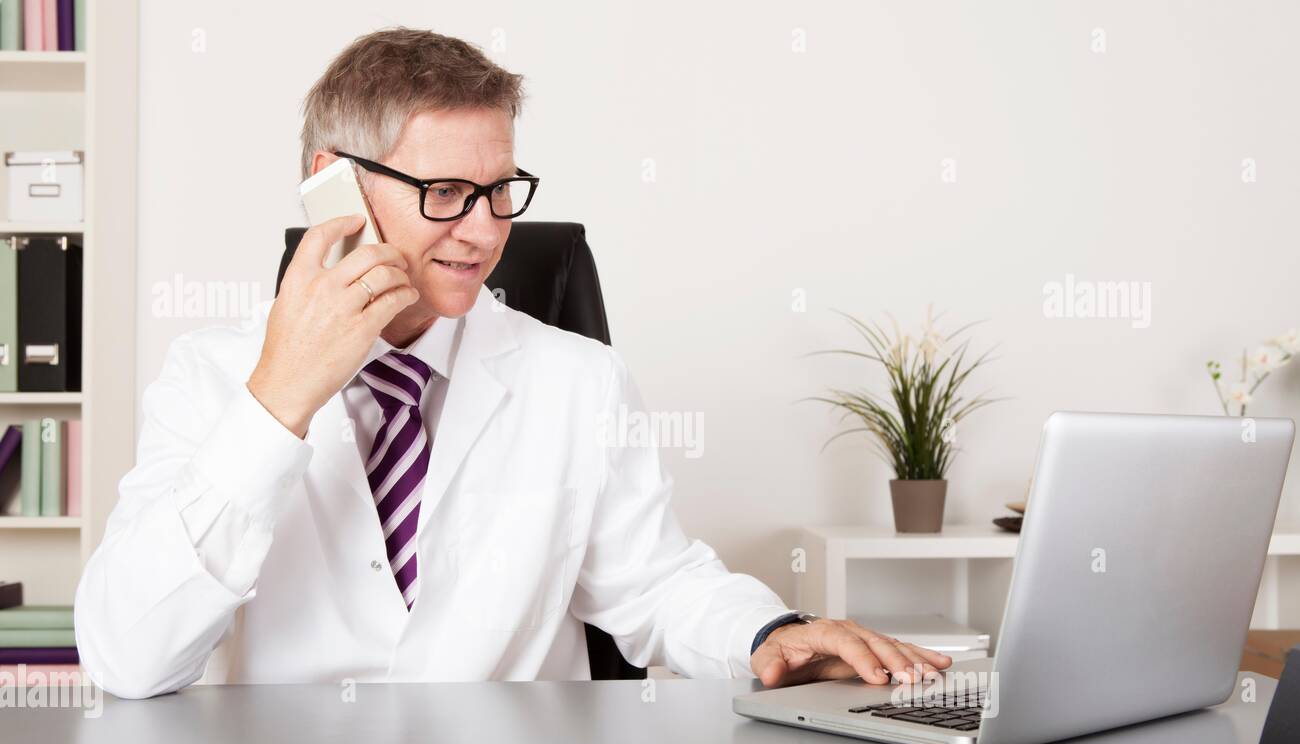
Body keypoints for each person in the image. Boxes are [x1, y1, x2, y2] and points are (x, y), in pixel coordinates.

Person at [74, 27, 950, 698]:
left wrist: (770, 633)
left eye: (501, 191)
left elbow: (656, 586)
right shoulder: (212, 376)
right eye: (446, 193)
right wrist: (280, 402)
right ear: (332, 183)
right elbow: (126, 656)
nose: (487, 229)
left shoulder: (576, 379)